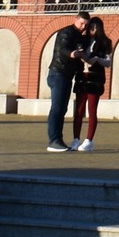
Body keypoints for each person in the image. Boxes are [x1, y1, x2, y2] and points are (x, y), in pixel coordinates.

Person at [69, 14, 112, 153]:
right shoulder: (83, 40)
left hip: (95, 79)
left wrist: (97, 59)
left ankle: (89, 140)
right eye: (90, 27)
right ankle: (76, 139)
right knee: (79, 110)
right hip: (82, 78)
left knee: (92, 110)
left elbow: (108, 62)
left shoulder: (105, 42)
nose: (92, 30)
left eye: (94, 28)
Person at [43, 19, 83, 152]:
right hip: (58, 74)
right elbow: (62, 48)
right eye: (81, 23)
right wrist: (71, 54)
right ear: (76, 20)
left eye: (86, 25)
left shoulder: (79, 36)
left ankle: (58, 140)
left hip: (66, 76)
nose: (83, 26)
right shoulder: (66, 32)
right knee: (57, 108)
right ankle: (53, 140)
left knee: (62, 109)